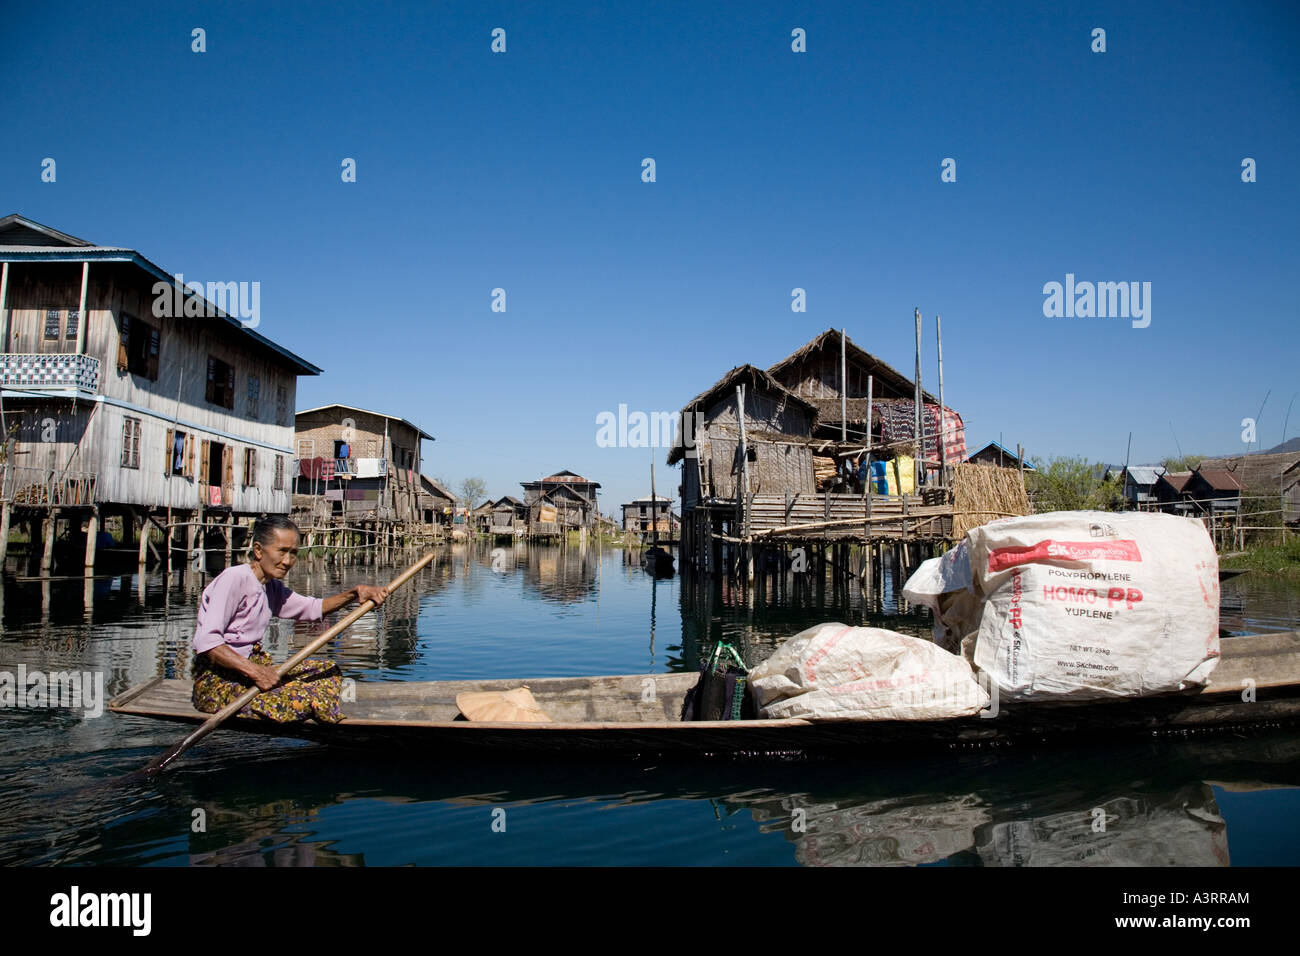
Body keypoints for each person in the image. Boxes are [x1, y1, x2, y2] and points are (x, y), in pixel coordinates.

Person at [190, 515, 388, 723]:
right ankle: (317, 708)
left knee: (326, 670)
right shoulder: (234, 579)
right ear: (258, 550)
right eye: (282, 551)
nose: (287, 561)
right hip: (217, 680)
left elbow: (312, 608)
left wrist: (355, 594)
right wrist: (256, 672)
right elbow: (207, 642)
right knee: (298, 699)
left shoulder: (269, 586)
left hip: (249, 674)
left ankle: (314, 704)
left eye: (293, 553)